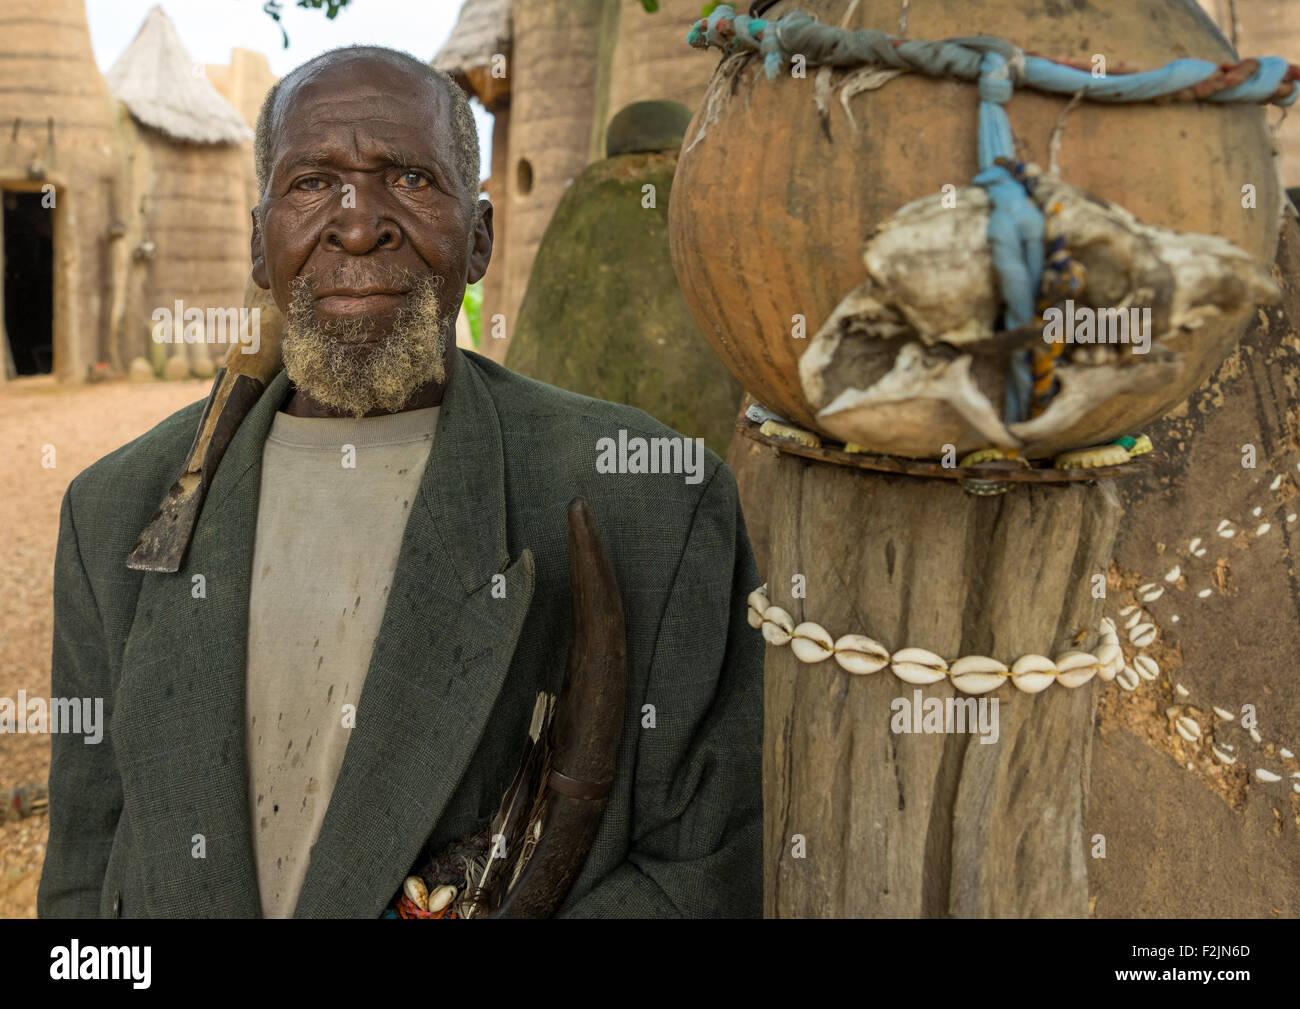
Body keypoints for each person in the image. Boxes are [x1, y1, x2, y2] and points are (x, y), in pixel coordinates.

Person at [37, 47, 762, 918]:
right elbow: (86, 871)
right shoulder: (112, 514)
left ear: (482, 237)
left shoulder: (655, 502)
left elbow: (703, 872)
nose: (357, 224)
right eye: (311, 184)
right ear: (258, 244)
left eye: (410, 179)